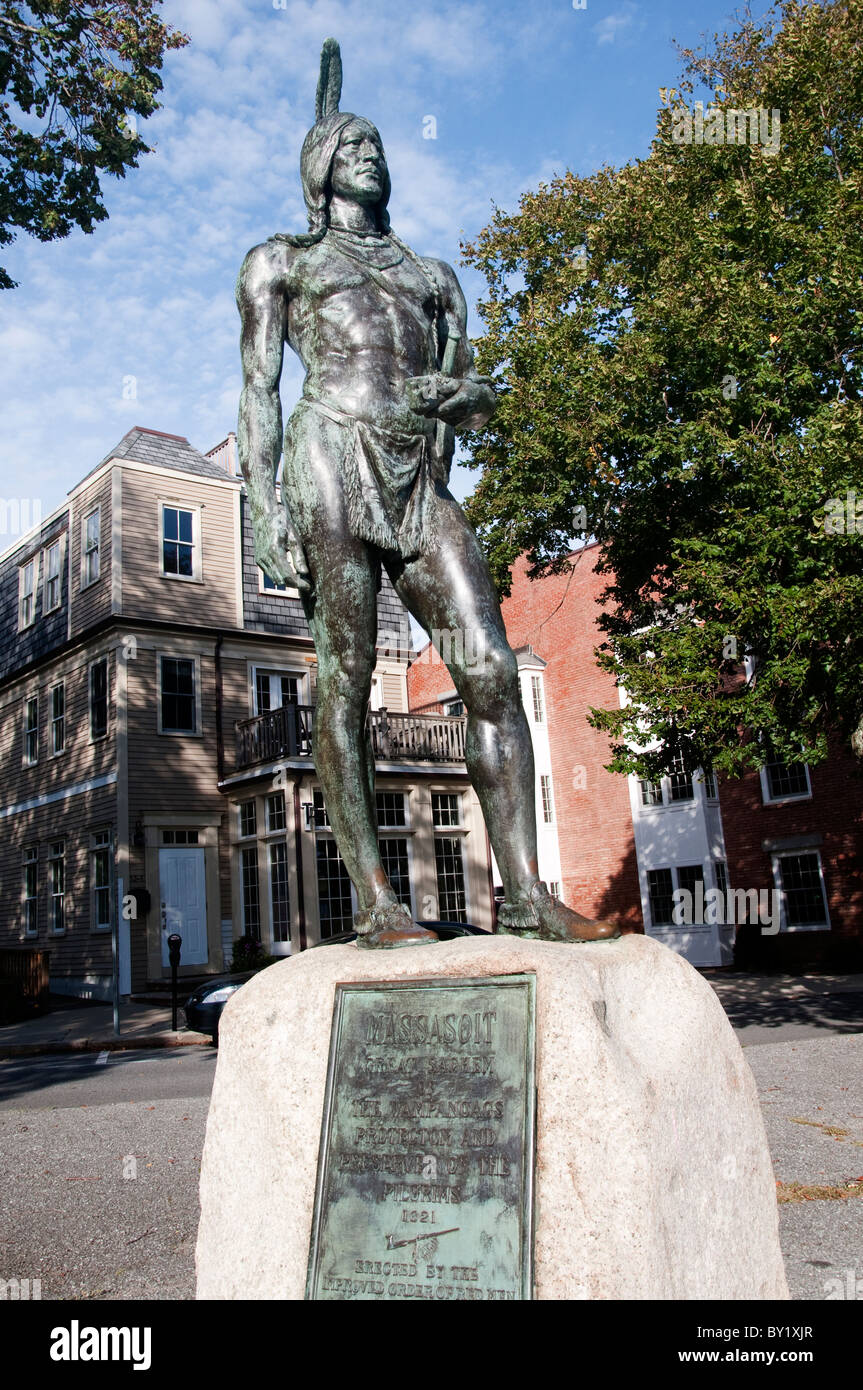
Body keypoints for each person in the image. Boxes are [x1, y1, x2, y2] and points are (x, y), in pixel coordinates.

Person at [236, 39, 619, 950]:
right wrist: (264, 511)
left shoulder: (432, 276)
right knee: (347, 675)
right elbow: (259, 391)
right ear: (321, 168)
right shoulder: (279, 261)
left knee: (486, 665)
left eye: (377, 143)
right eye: (351, 144)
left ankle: (524, 893)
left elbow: (471, 392)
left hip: (419, 477)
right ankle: (376, 903)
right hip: (329, 451)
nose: (370, 152)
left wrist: (466, 397)